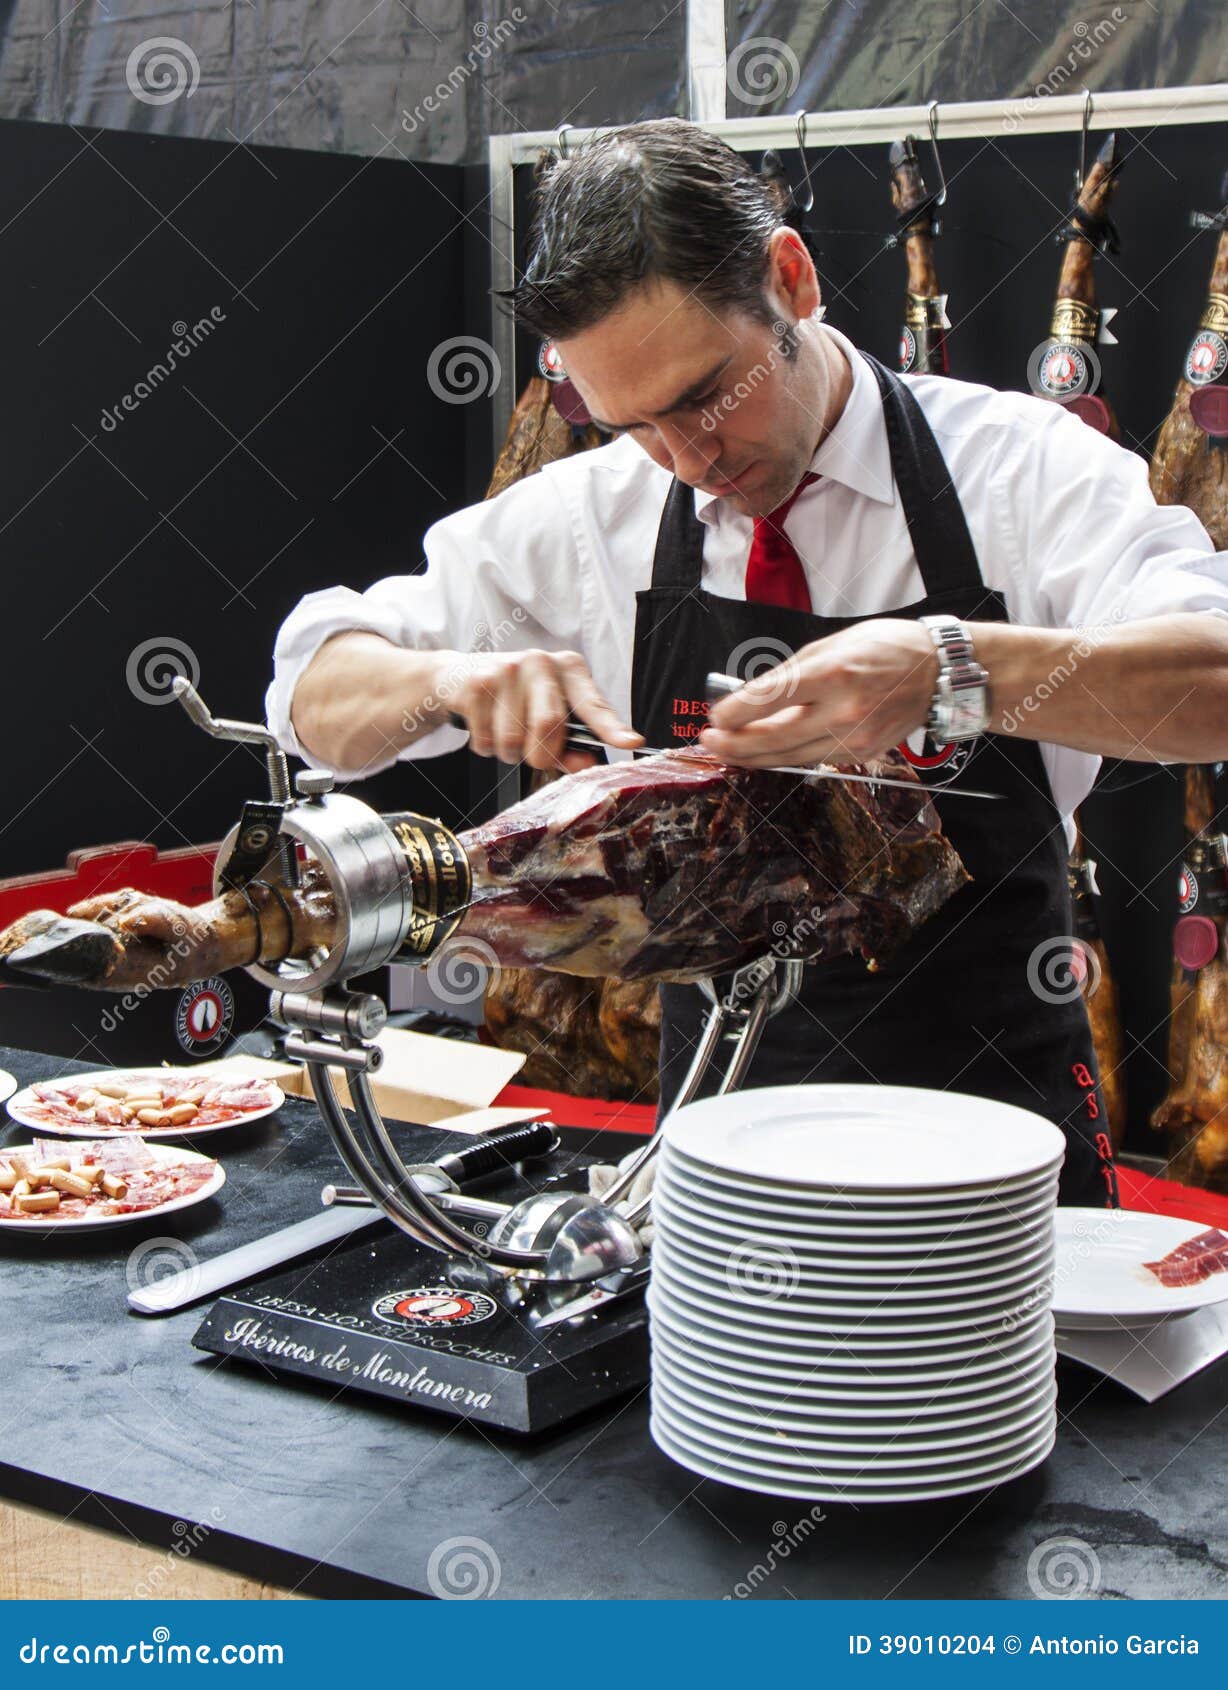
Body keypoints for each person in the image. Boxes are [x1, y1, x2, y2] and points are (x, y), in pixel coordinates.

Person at [267, 119, 1228, 1208]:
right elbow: (314, 700)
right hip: (721, 1189)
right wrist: (446, 683)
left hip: (997, 1174)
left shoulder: (1020, 471)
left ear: (791, 276)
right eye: (635, 426)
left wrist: (947, 664)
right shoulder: (598, 515)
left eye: (701, 396)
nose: (692, 460)